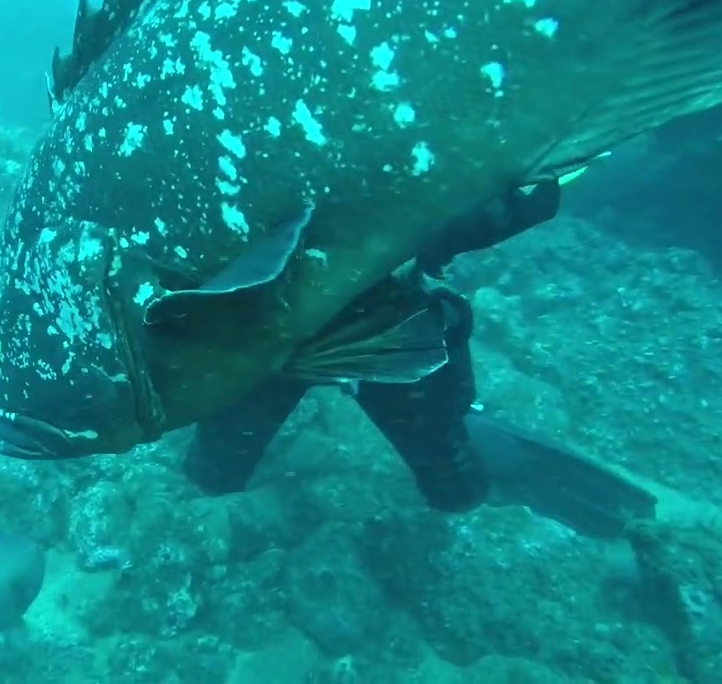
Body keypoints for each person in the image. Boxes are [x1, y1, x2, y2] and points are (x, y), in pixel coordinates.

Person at [183, 180, 658, 539]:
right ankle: (440, 389)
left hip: (382, 320)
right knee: (212, 475)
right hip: (261, 334)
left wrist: (455, 226)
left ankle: (460, 394)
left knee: (457, 493)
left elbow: (515, 190)